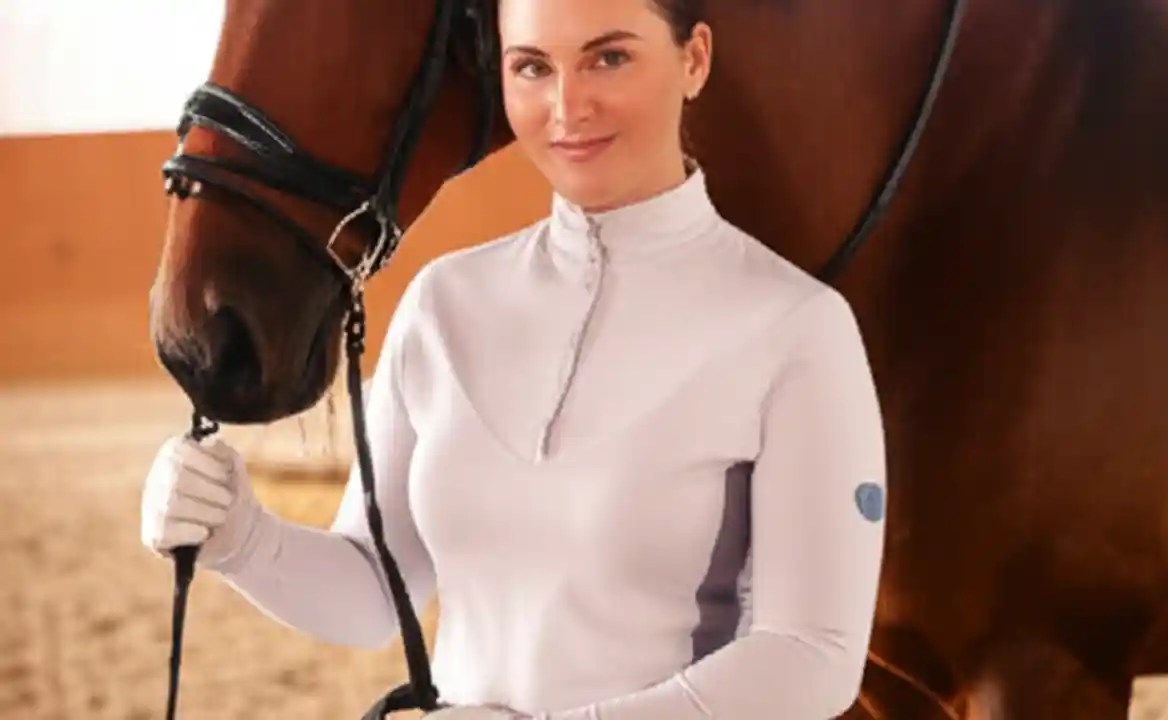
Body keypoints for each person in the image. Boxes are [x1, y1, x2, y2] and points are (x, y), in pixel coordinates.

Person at [140, 0, 888, 717]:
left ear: (694, 58)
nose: (568, 106)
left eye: (610, 57)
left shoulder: (796, 328)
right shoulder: (444, 304)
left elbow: (811, 659)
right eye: (532, 67)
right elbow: (376, 593)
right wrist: (242, 538)